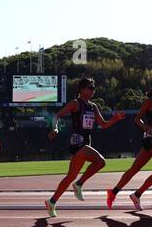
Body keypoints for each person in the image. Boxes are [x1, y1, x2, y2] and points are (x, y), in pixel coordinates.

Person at [45, 78, 125, 218]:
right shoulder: (75, 103)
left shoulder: (93, 106)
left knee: (71, 176)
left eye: (94, 88)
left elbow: (103, 124)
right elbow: (57, 115)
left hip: (86, 143)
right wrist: (55, 129)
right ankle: (79, 184)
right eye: (90, 87)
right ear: (81, 89)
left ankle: (52, 202)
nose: (93, 90)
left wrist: (115, 119)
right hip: (77, 142)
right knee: (100, 162)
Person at [107, 76, 152, 210]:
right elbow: (137, 119)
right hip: (151, 139)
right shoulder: (149, 102)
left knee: (134, 169)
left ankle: (116, 192)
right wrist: (145, 127)